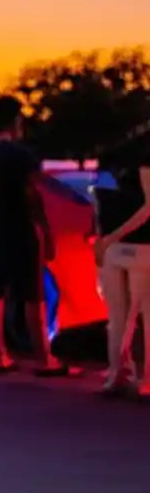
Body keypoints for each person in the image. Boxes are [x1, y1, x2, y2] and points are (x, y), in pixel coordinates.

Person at [0, 97, 72, 377]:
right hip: (21, 232)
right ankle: (44, 359)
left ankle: (0, 355)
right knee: (32, 297)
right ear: (15, 122)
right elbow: (34, 194)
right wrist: (46, 231)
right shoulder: (22, 156)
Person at [94, 133, 150, 398]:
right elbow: (149, 208)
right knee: (147, 315)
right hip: (143, 245)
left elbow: (98, 205)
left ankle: (116, 374)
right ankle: (145, 379)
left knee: (117, 317)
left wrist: (104, 239)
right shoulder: (145, 158)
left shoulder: (109, 159)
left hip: (112, 245)